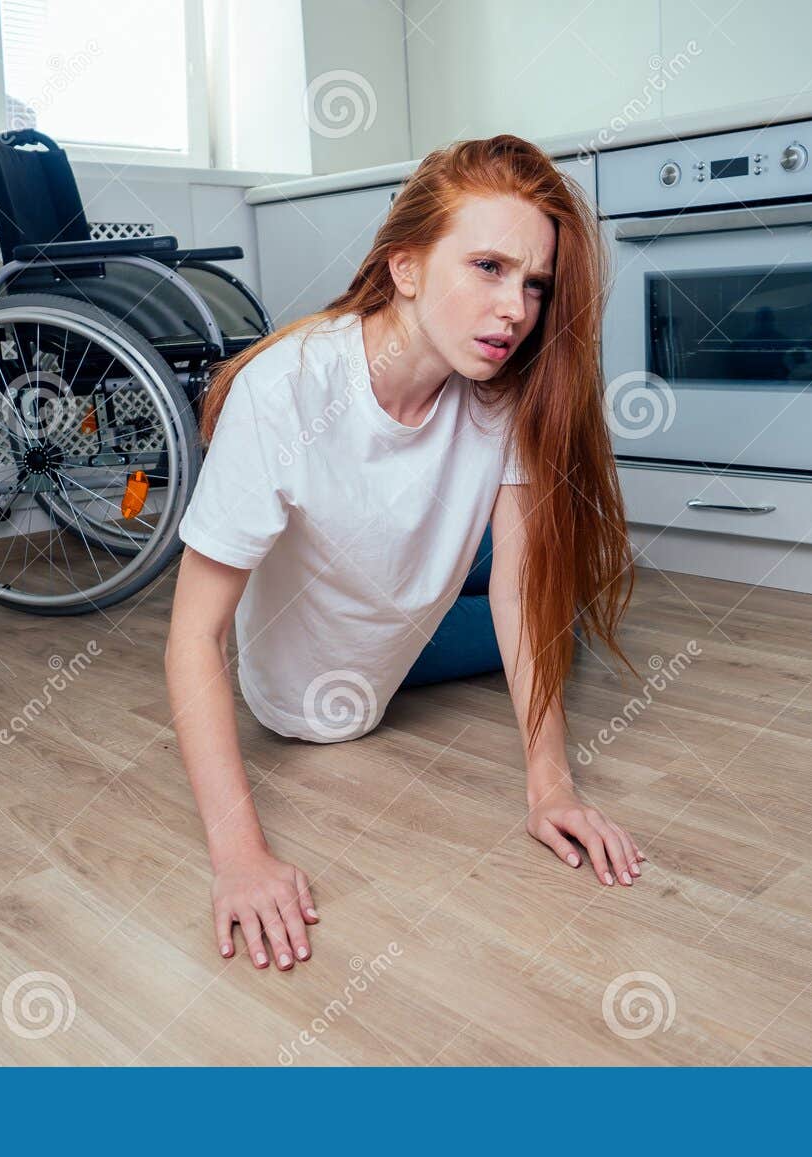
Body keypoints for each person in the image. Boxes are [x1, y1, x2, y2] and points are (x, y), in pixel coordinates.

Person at [164, 134, 642, 973]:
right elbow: (191, 638)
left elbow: (521, 592)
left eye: (533, 283)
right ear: (406, 267)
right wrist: (239, 857)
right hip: (324, 699)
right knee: (543, 597)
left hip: (406, 597)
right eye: (487, 267)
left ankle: (447, 574)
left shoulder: (499, 388)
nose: (517, 310)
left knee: (550, 580)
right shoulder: (284, 391)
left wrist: (550, 785)